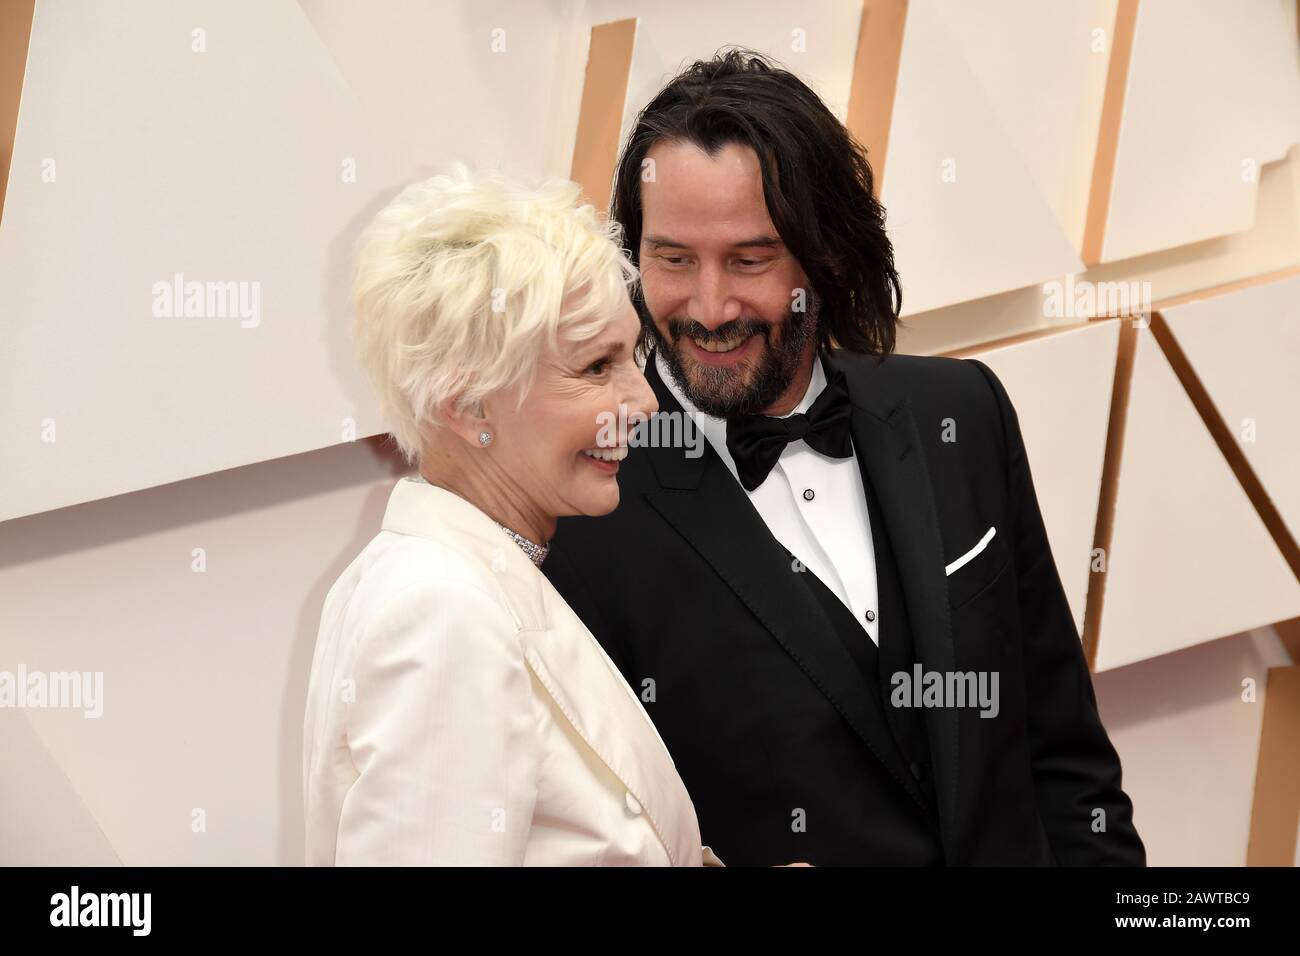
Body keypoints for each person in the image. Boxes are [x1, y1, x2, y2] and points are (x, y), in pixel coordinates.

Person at [543, 50, 1146, 866]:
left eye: (750, 260)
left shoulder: (962, 413)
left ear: (824, 256)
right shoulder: (583, 512)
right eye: (673, 259)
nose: (709, 306)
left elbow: (1064, 755)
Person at [302, 167, 721, 866]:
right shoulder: (438, 610)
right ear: (467, 408)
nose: (644, 402)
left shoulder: (482, 573)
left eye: (633, 356)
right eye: (596, 367)